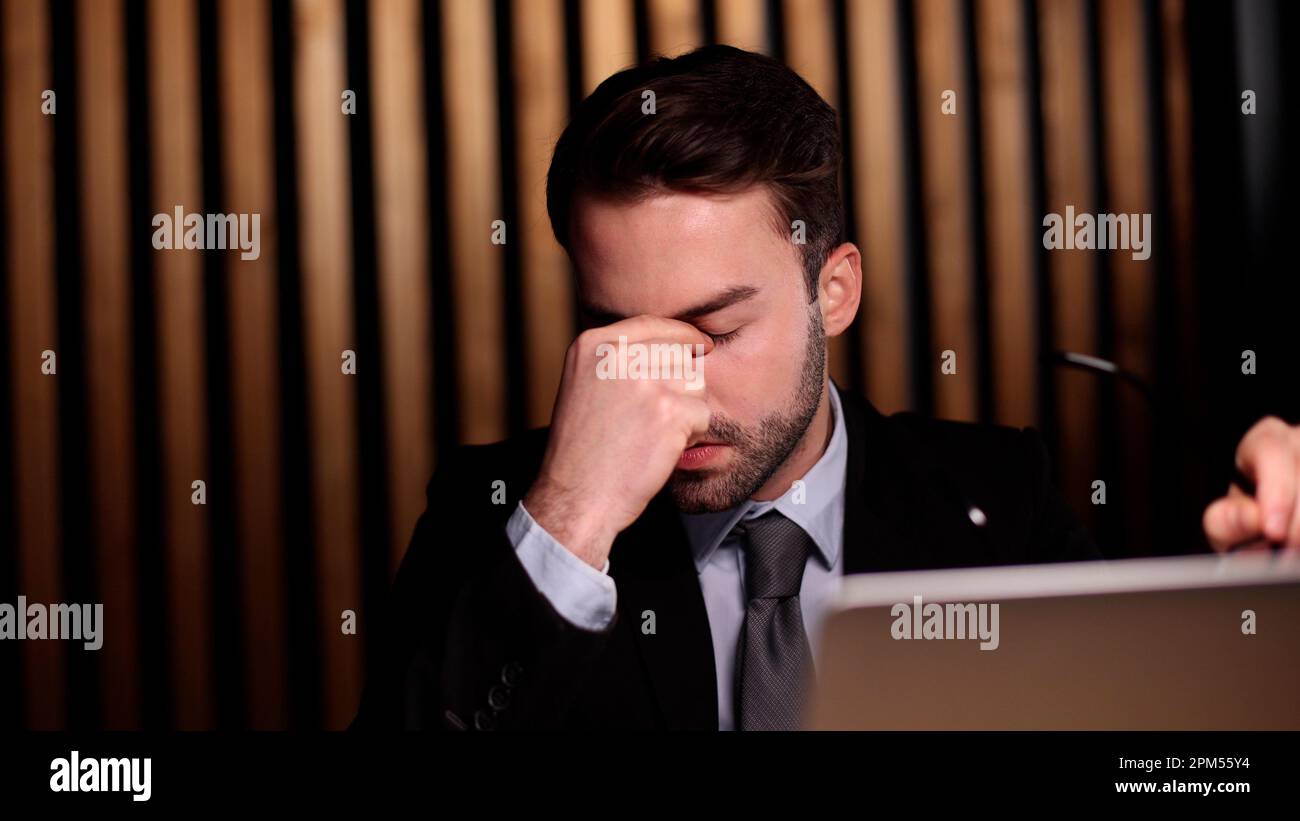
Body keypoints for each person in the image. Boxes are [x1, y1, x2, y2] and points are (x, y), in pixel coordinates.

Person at [352, 45, 1300, 731]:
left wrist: (1253, 630)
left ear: (833, 290)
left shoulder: (995, 498)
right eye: (619, 337)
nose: (664, 382)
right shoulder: (496, 519)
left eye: (716, 330)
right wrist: (565, 527)